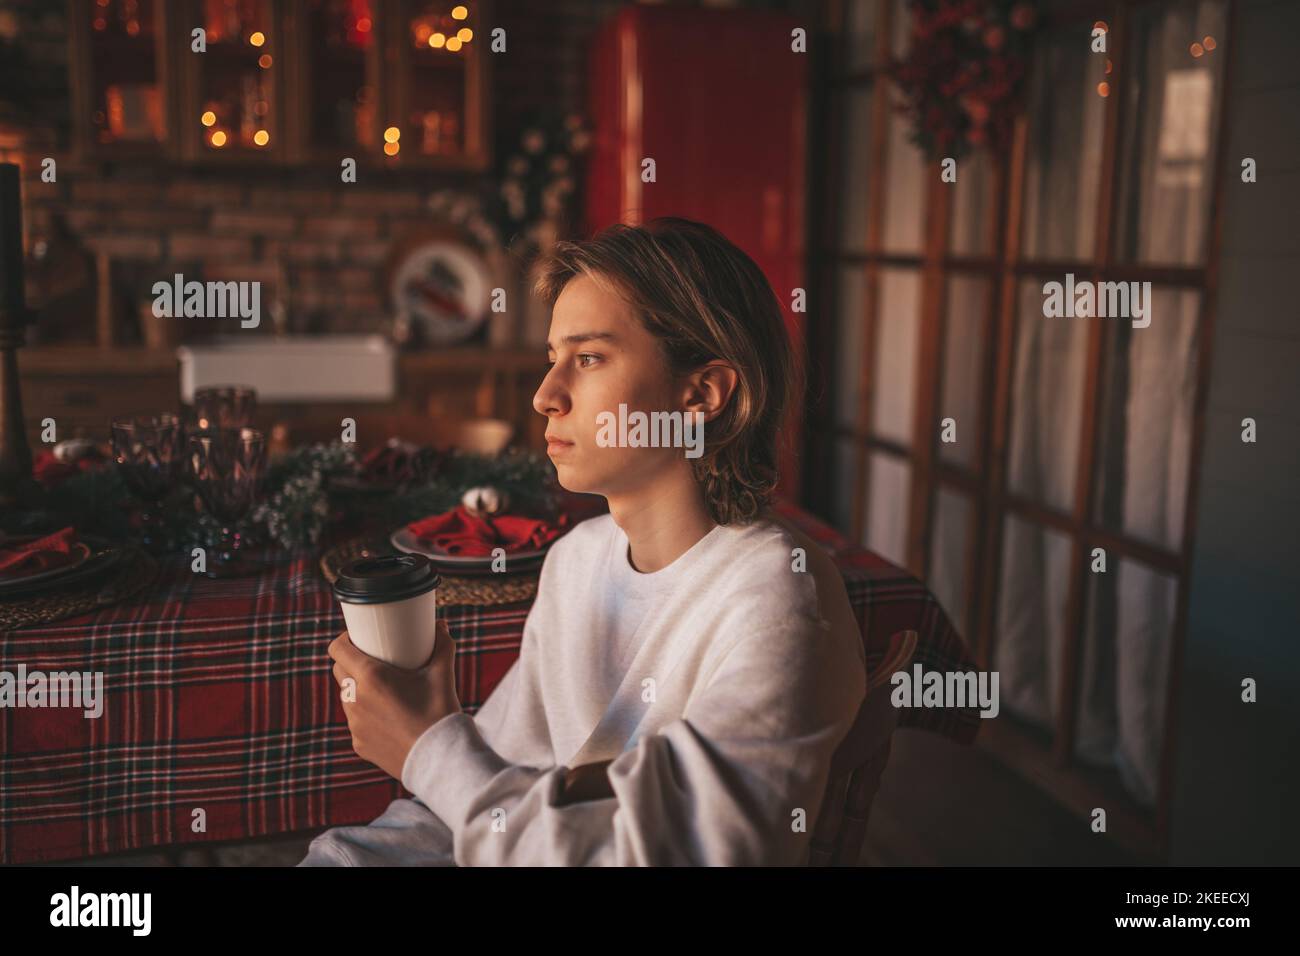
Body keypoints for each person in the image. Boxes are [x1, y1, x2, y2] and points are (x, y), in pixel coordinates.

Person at [299, 217, 867, 866]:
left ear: (701, 395)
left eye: (590, 358)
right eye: (552, 360)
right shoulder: (578, 559)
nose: (545, 395)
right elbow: (475, 792)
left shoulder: (778, 604)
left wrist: (429, 746)